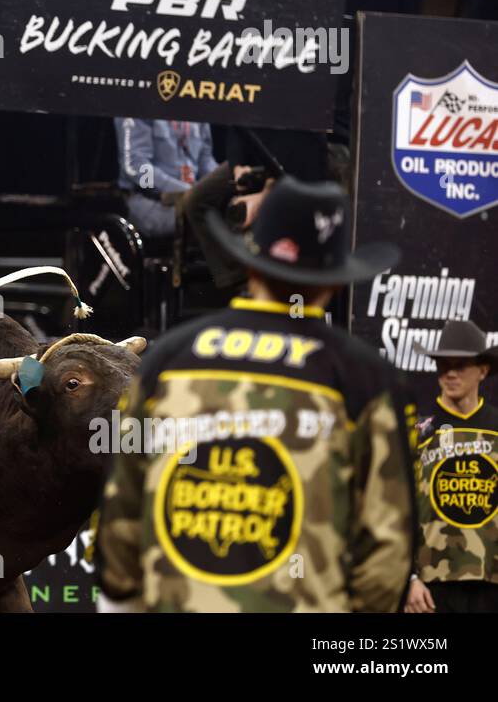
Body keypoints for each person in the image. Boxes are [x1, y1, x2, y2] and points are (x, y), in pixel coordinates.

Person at [95, 177, 416, 611]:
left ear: (250, 265)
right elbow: (388, 544)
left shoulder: (166, 360)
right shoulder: (365, 378)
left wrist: (132, 596)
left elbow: (119, 520)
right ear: (336, 283)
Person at [404, 320, 498, 613]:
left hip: (491, 581)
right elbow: (394, 508)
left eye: (460, 365)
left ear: (483, 370)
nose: (450, 373)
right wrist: (408, 577)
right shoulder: (416, 430)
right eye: (443, 365)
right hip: (431, 585)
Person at [113, 117, 217, 239]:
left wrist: (224, 185)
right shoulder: (138, 105)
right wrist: (186, 191)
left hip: (192, 199)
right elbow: (136, 166)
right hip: (151, 201)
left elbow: (205, 161)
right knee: (210, 223)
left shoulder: (197, 107)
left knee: (231, 216)